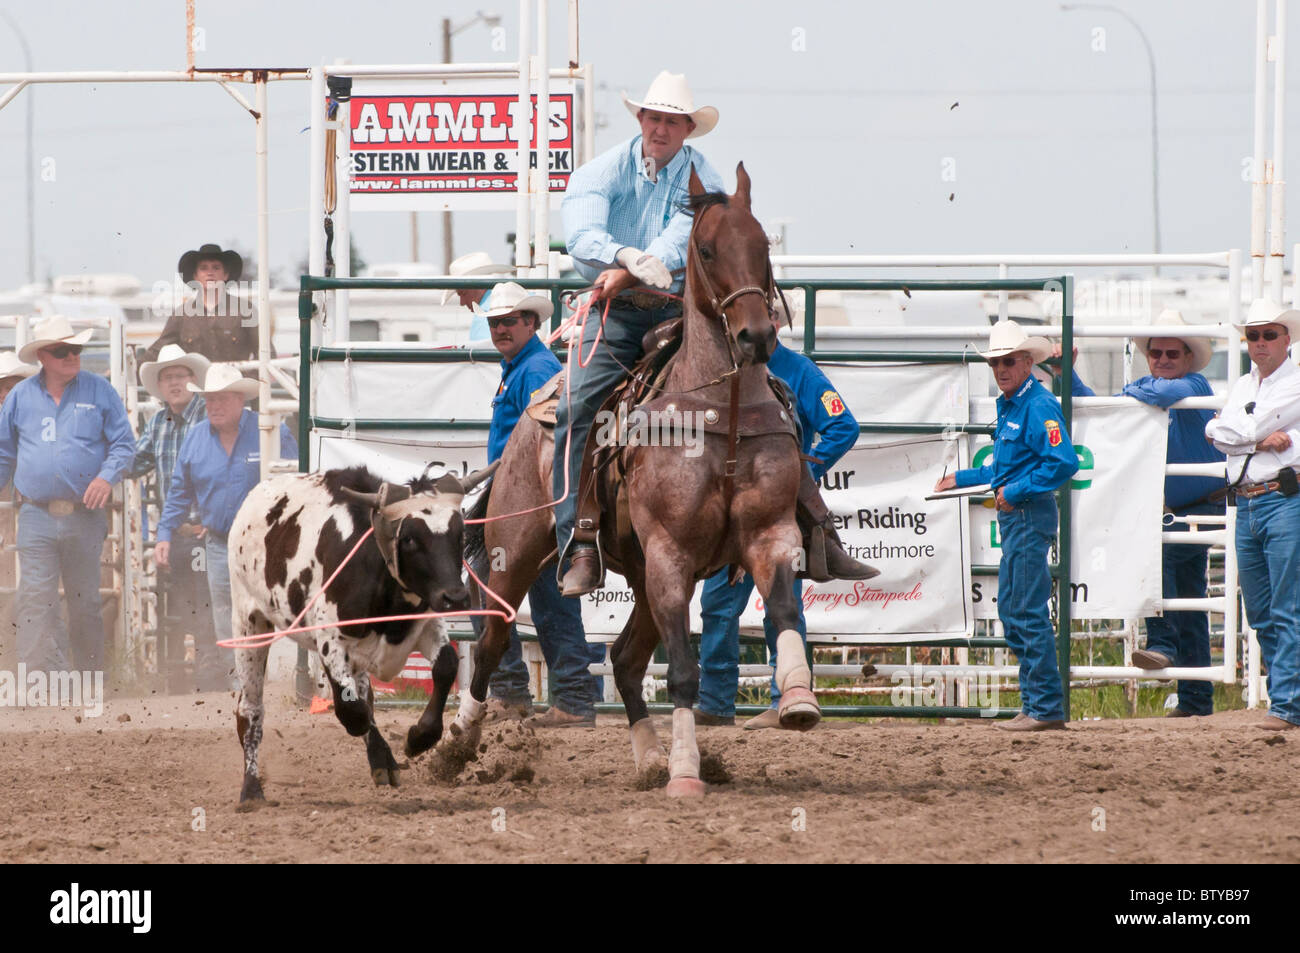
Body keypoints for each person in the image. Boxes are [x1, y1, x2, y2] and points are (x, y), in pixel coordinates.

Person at [555, 70, 873, 595]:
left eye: (672, 122)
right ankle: (580, 538)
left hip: (681, 311)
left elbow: (693, 233)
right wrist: (623, 257)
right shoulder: (602, 171)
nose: (661, 129)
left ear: (686, 129)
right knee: (577, 408)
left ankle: (818, 526)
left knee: (772, 400)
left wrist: (632, 266)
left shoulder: (702, 177)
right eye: (654, 118)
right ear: (640, 119)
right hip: (614, 312)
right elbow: (582, 234)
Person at [1064, 311, 1224, 717]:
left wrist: (1134, 390)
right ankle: (1195, 700)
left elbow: (1163, 393)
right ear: (1149, 356)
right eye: (1157, 353)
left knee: (1162, 562)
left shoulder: (1194, 386)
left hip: (1197, 506)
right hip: (1176, 509)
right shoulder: (1154, 391)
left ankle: (1163, 646)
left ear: (1188, 358)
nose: (1164, 359)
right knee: (1189, 602)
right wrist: (1067, 373)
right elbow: (1098, 410)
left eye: (1173, 353)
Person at [696, 340, 859, 729]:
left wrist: (801, 475)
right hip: (730, 511)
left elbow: (843, 426)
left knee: (775, 607)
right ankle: (720, 703)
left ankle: (778, 697)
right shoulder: (727, 367)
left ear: (775, 319)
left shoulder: (797, 370)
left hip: (773, 512)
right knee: (721, 606)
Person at [934, 320, 1079, 731]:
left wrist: (1015, 491)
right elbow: (1008, 465)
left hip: (1027, 514)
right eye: (996, 362)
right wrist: (962, 479)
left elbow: (1063, 461)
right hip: (1021, 516)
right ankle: (1038, 705)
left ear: (1028, 362)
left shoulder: (1036, 406)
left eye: (1008, 361)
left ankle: (1044, 707)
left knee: (1023, 609)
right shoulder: (1018, 403)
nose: (1001, 369)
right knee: (1015, 608)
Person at [474, 282, 603, 727]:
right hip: (525, 498)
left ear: (531, 323)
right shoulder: (525, 365)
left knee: (509, 593)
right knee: (542, 596)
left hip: (528, 503)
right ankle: (564, 696)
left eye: (509, 321)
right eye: (494, 323)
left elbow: (547, 442)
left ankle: (520, 692)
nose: (500, 329)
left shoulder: (533, 370)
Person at [0, 315, 135, 672]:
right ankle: (37, 681)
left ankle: (92, 683)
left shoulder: (100, 390)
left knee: (84, 602)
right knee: (35, 599)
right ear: (43, 356)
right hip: (35, 513)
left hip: (84, 514)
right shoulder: (20, 397)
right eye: (62, 351)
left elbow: (123, 444)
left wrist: (106, 478)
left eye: (75, 349)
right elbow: (3, 453)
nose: (71, 356)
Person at [155, 363, 297, 691]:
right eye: (209, 400)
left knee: (274, 605)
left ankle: (278, 680)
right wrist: (164, 534)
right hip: (221, 542)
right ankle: (242, 686)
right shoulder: (196, 439)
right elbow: (179, 492)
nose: (214, 406)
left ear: (240, 400)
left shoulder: (271, 430)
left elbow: (294, 481)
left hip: (269, 542)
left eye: (222, 399)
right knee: (226, 611)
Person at [1205, 298, 1300, 731]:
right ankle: (1287, 698)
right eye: (1253, 336)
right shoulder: (1248, 385)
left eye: (1268, 335)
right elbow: (1225, 431)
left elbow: (1228, 429)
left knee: (1283, 606)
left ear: (1286, 339)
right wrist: (1258, 441)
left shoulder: (1292, 382)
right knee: (1263, 610)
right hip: (1250, 499)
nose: (1259, 343)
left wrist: (1237, 434)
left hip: (1282, 497)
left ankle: (1286, 704)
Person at [130, 345, 214, 692]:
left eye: (180, 376)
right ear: (160, 386)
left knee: (206, 604)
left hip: (205, 530)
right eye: (168, 378)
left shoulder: (210, 415)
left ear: (193, 380)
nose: (175, 383)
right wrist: (99, 472)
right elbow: (135, 462)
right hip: (175, 533)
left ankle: (210, 680)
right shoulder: (157, 423)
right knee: (181, 604)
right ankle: (180, 681)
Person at [140, 243, 258, 366]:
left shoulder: (245, 310)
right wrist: (133, 368)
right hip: (196, 385)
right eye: (203, 268)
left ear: (225, 275)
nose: (210, 273)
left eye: (216, 268)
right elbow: (158, 351)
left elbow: (265, 352)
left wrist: (251, 379)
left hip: (237, 382)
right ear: (195, 276)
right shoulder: (181, 315)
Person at [441, 251, 514, 343]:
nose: (462, 302)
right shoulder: (516, 294)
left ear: (477, 286)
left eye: (463, 293)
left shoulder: (483, 316)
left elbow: (481, 354)